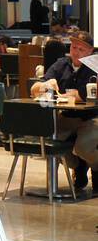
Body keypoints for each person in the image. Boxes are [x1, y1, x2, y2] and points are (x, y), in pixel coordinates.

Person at [33, 31, 97, 190]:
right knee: (52, 144)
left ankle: (95, 168)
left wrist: (79, 95)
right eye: (74, 47)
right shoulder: (61, 64)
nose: (76, 52)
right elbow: (35, 88)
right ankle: (79, 166)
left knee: (83, 147)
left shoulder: (94, 67)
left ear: (91, 52)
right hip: (67, 115)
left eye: (81, 49)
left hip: (92, 116)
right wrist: (44, 86)